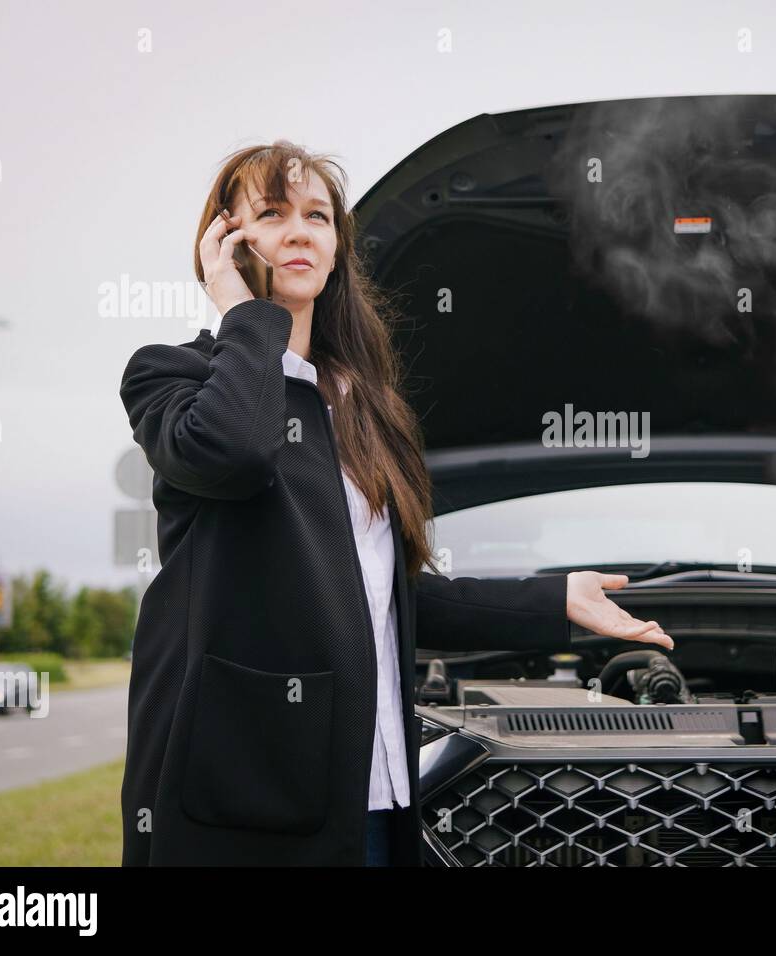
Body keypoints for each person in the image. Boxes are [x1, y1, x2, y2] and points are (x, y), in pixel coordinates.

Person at [118, 140, 673, 866]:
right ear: (224, 236)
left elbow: (386, 599)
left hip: (376, 796)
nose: (299, 231)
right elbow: (235, 454)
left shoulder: (362, 406)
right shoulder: (169, 375)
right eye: (273, 212)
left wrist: (554, 600)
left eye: (318, 216)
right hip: (248, 801)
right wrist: (243, 311)